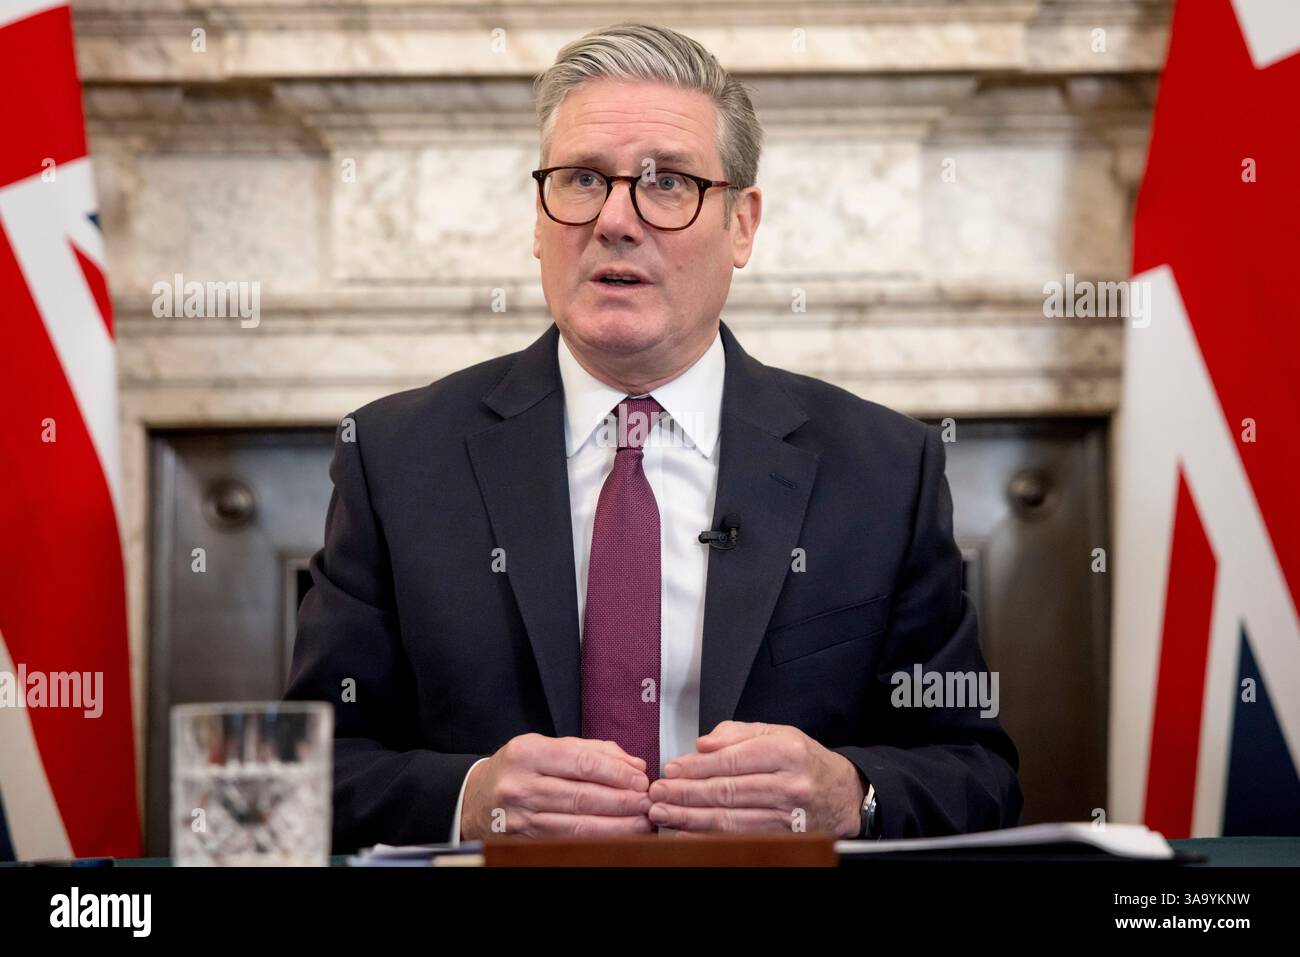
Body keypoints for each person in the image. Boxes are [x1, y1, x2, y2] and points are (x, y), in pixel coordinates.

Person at [285, 21, 1021, 853]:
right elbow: (306, 774)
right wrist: (467, 796)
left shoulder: (884, 471)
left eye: (665, 183)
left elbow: (979, 773)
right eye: (582, 180)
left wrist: (853, 794)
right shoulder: (396, 459)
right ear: (539, 217)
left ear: (742, 225)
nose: (614, 221)